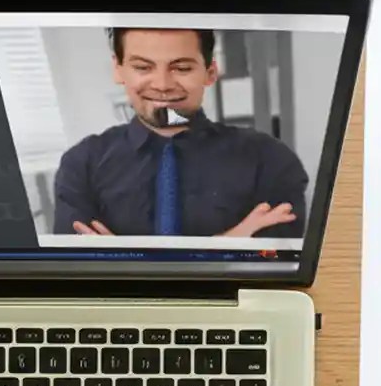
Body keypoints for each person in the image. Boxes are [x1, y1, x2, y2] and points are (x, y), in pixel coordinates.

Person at [52, 27, 309, 238]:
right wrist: (227, 245)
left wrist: (128, 260)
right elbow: (82, 275)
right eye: (143, 67)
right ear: (118, 70)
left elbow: (274, 268)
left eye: (182, 68)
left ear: (209, 73)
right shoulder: (81, 163)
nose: (162, 85)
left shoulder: (270, 159)